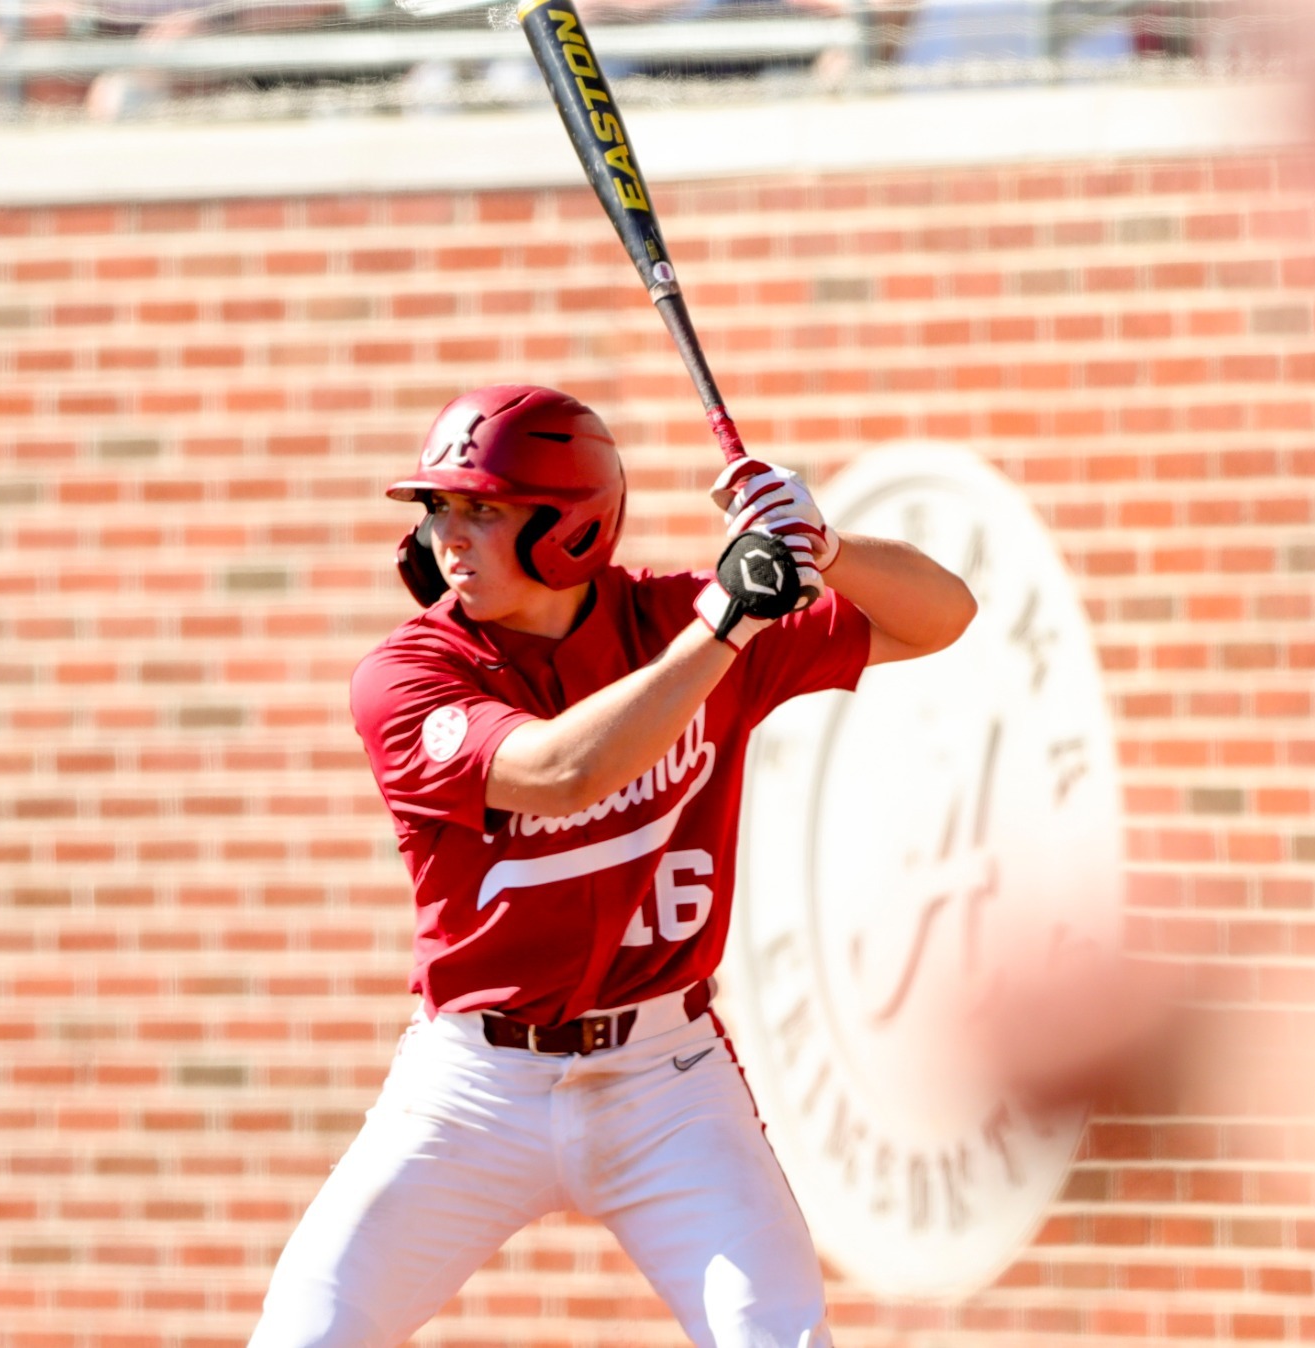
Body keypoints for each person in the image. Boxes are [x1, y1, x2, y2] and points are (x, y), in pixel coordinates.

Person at [248, 384, 976, 1347]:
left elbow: (944, 617)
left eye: (484, 509)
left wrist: (824, 547)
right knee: (308, 1332)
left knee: (782, 1336)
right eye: (439, 509)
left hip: (666, 1080)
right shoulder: (407, 675)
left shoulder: (677, 622)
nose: (447, 538)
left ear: (572, 528)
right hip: (473, 1088)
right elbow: (563, 771)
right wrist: (728, 627)